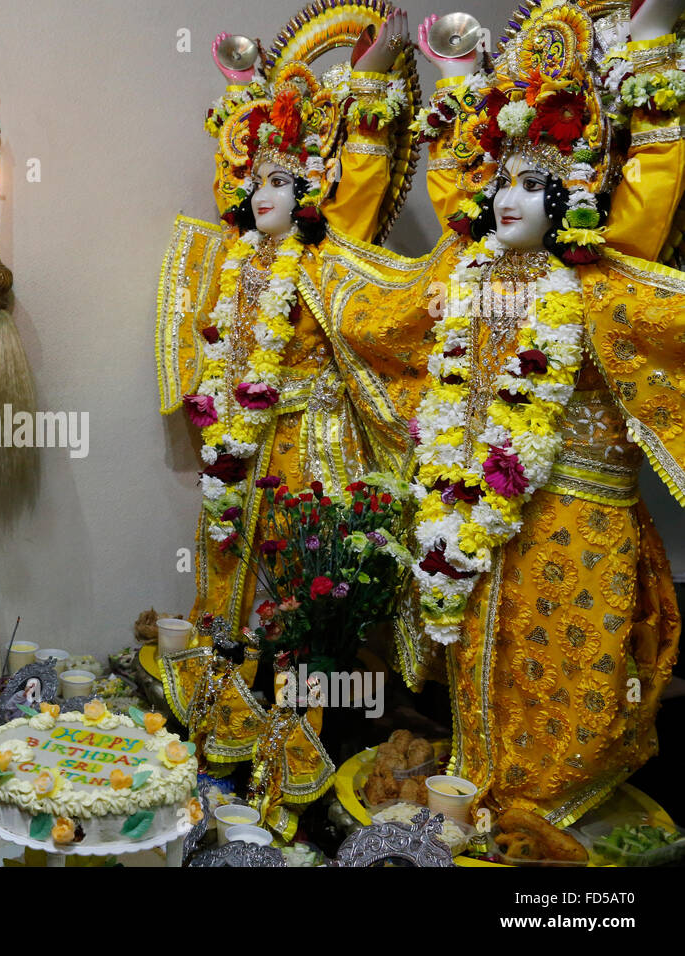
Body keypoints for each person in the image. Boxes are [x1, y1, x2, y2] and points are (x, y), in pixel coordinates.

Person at [322, 0, 685, 823]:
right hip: (480, 510)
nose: (510, 197)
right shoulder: (465, 275)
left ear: (577, 198)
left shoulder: (601, 280)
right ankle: (477, 788)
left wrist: (656, 38)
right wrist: (449, 79)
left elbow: (654, 189)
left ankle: (547, 800)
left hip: (579, 518)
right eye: (501, 179)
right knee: (486, 666)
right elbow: (370, 314)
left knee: (566, 674)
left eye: (535, 182)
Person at [155, 10, 413, 831]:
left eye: (280, 182)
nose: (261, 194)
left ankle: (295, 757)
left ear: (309, 194)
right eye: (254, 181)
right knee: (223, 596)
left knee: (302, 605)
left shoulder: (324, 255)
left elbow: (362, 183)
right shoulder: (233, 261)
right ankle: (219, 744)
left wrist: (374, 71)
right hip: (236, 447)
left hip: (305, 449)